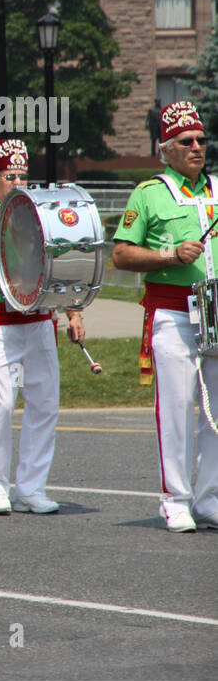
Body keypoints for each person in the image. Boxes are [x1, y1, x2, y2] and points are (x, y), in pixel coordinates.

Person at [0, 140, 84, 516]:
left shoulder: (42, 215)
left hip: (40, 318)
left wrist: (73, 311)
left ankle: (31, 487)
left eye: (23, 176)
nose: (17, 182)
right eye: (9, 176)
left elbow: (64, 264)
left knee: (45, 404)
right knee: (1, 405)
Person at [112, 101, 218, 533]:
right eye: (186, 142)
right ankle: (175, 498)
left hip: (216, 313)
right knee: (176, 407)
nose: (196, 147)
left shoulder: (216, 188)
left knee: (216, 413)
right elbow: (120, 253)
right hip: (173, 311)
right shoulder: (149, 193)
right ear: (166, 150)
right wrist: (169, 254)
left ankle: (210, 498)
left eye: (201, 140)